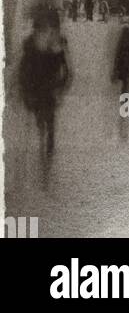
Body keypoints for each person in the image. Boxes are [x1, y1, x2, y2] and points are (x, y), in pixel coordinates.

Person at [18, 14, 72, 186]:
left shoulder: (55, 45)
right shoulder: (33, 46)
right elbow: (24, 72)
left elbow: (68, 73)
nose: (48, 33)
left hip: (46, 93)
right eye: (45, 30)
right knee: (44, 130)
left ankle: (45, 170)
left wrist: (61, 90)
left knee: (47, 130)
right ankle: (43, 170)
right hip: (40, 93)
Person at [111, 24, 129, 142]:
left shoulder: (123, 51)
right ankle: (124, 130)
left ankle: (124, 129)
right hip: (125, 78)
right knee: (126, 102)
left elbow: (120, 63)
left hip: (125, 78)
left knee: (125, 102)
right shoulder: (128, 51)